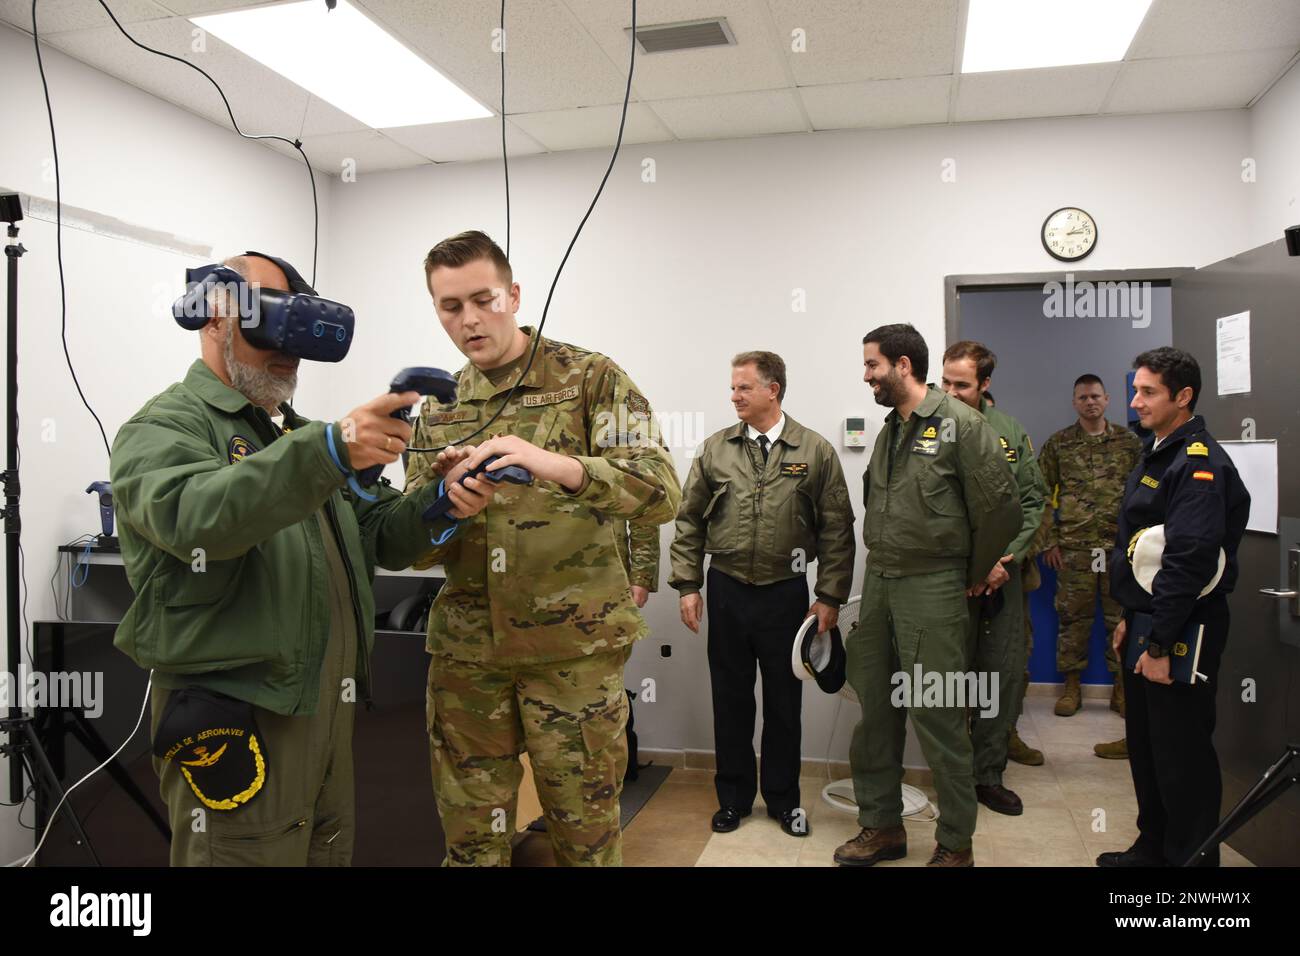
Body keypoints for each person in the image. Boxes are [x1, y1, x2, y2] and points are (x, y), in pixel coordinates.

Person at [112, 253, 455, 866]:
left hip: (323, 710)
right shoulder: (165, 427)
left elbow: (382, 534)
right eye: (269, 322)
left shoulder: (295, 434)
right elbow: (199, 520)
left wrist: (445, 502)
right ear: (216, 318)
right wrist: (326, 450)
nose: (288, 351)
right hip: (238, 716)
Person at [405, 231, 680, 866]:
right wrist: (441, 504)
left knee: (584, 841)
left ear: (513, 294)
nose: (469, 319)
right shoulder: (440, 408)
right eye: (450, 306)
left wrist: (556, 464)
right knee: (472, 845)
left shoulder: (590, 378)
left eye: (483, 298)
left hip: (571, 654)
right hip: (469, 658)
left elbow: (661, 492)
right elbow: (412, 548)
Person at [835, 324, 1020, 867]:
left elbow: (1002, 509)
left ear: (902, 366)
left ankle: (956, 844)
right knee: (875, 712)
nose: (866, 375)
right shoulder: (892, 428)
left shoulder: (963, 425)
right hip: (882, 585)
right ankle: (882, 828)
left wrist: (975, 569)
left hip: (934, 587)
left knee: (937, 714)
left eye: (872, 365)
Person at [670, 352, 855, 838]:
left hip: (785, 594)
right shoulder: (716, 450)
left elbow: (837, 528)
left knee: (783, 704)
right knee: (730, 701)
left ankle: (783, 801)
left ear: (773, 390)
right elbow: (688, 521)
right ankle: (732, 800)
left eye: (743, 388)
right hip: (727, 588)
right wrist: (688, 585)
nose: (733, 396)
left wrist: (830, 596)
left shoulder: (813, 451)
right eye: (733, 388)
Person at [1098, 348, 1249, 868]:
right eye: (1135, 388)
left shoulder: (1199, 464)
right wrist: (1130, 620)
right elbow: (1145, 554)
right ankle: (1153, 848)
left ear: (1183, 397)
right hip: (1149, 619)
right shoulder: (1157, 450)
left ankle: (1192, 868)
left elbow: (1187, 562)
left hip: (1184, 626)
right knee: (1147, 748)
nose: (1134, 400)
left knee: (1181, 755)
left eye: (1148, 392)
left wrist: (1161, 642)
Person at [940, 341, 1046, 815]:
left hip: (1002, 580)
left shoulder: (1009, 432)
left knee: (999, 677)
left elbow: (1031, 503)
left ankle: (988, 775)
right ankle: (952, 777)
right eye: (945, 382)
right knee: (944, 681)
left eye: (961, 384)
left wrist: (1004, 560)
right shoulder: (928, 428)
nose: (951, 392)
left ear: (984, 384)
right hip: (947, 580)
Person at [1037, 375, 1142, 734]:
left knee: (1120, 620)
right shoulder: (1059, 444)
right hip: (1074, 549)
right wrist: (1049, 542)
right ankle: (1071, 689)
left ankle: (1121, 690)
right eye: (1082, 397)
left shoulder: (1129, 444)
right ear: (1074, 402)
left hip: (1118, 550)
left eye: (1095, 396)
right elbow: (1040, 496)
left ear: (1108, 399)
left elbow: (1143, 498)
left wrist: (1139, 547)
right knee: (1073, 619)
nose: (1090, 402)